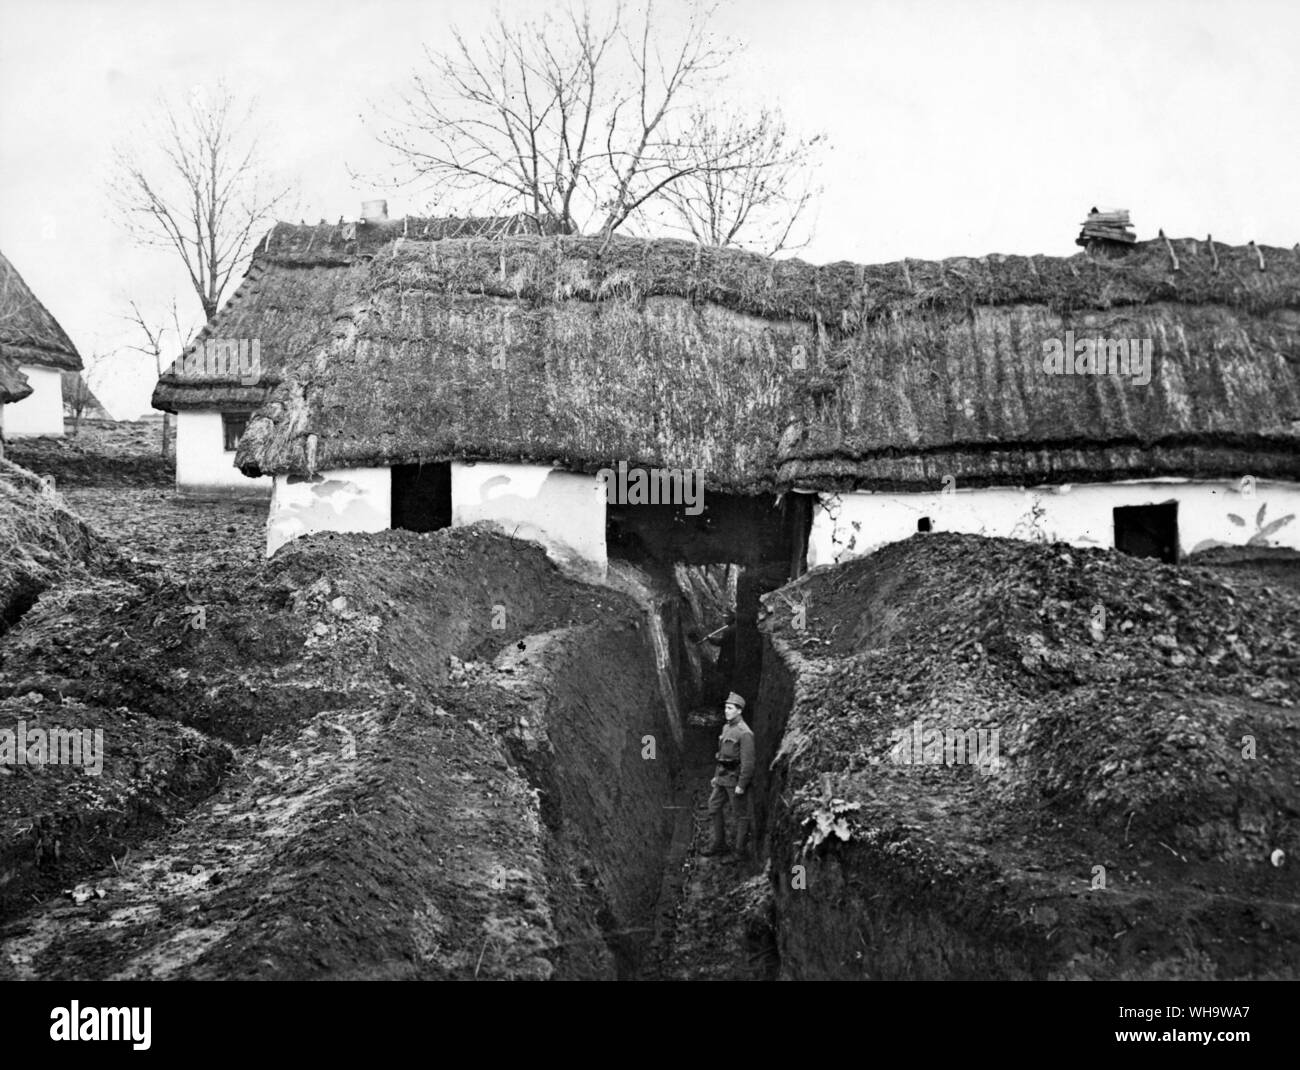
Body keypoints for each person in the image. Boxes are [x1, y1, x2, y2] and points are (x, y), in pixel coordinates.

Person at [703, 692, 755, 860]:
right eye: (726, 707)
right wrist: (715, 776)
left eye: (730, 708)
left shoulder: (744, 733)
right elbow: (721, 755)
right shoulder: (727, 728)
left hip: (735, 780)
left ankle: (740, 851)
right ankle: (719, 844)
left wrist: (741, 785)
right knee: (713, 807)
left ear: (739, 711)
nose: (726, 711)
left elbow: (748, 763)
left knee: (741, 815)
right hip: (722, 778)